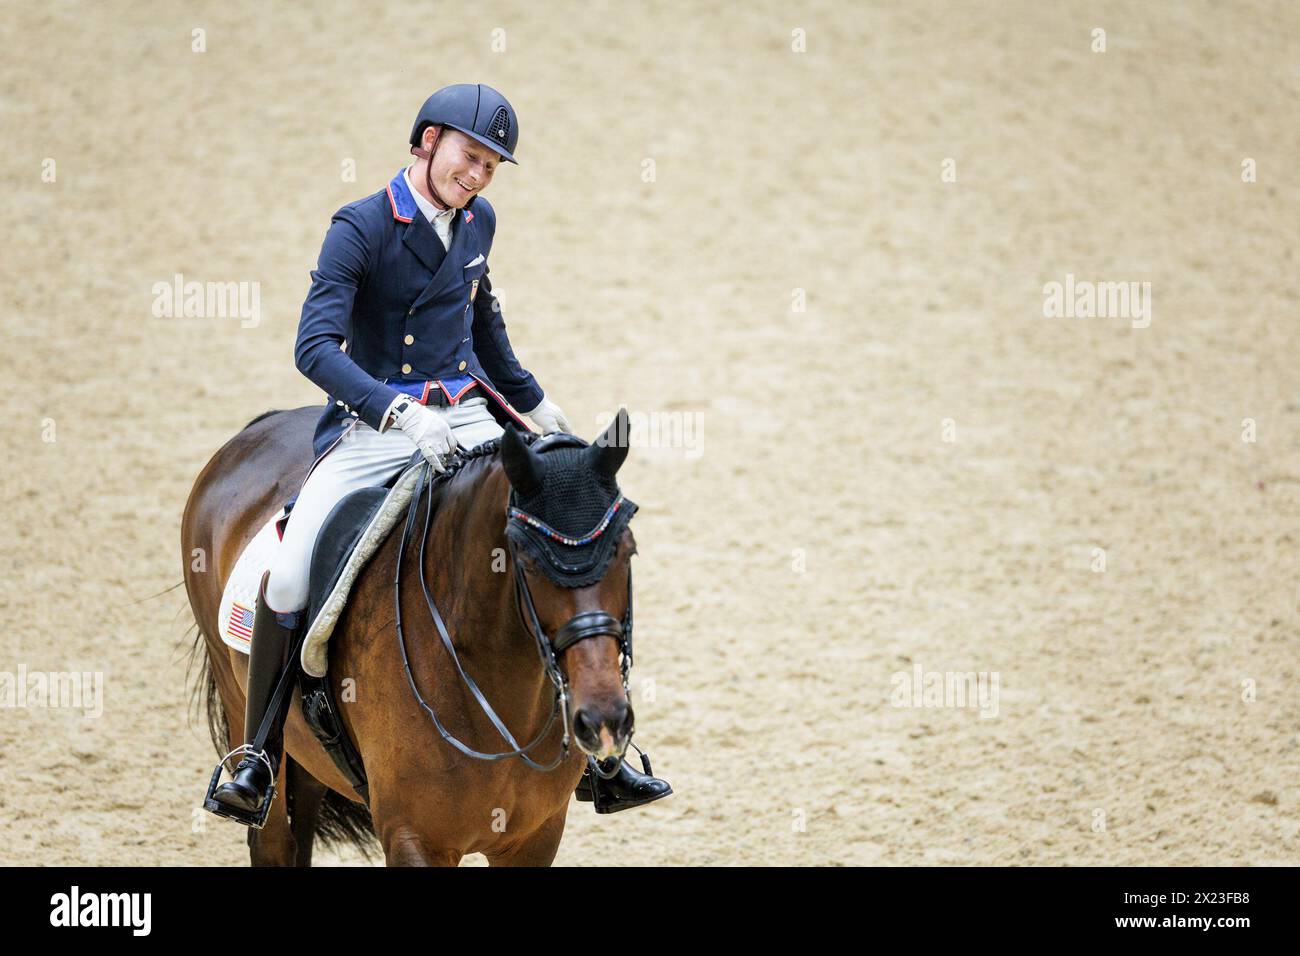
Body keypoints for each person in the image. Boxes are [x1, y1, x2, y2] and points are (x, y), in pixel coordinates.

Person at [208, 84, 671, 823]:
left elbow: (483, 332)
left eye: (491, 164)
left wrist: (540, 408)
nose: (478, 174)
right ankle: (258, 754)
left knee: (570, 526)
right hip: (375, 428)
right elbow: (313, 348)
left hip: (471, 420)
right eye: (469, 155)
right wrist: (394, 408)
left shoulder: (478, 220)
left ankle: (600, 752)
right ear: (427, 140)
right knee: (292, 570)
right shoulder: (360, 227)